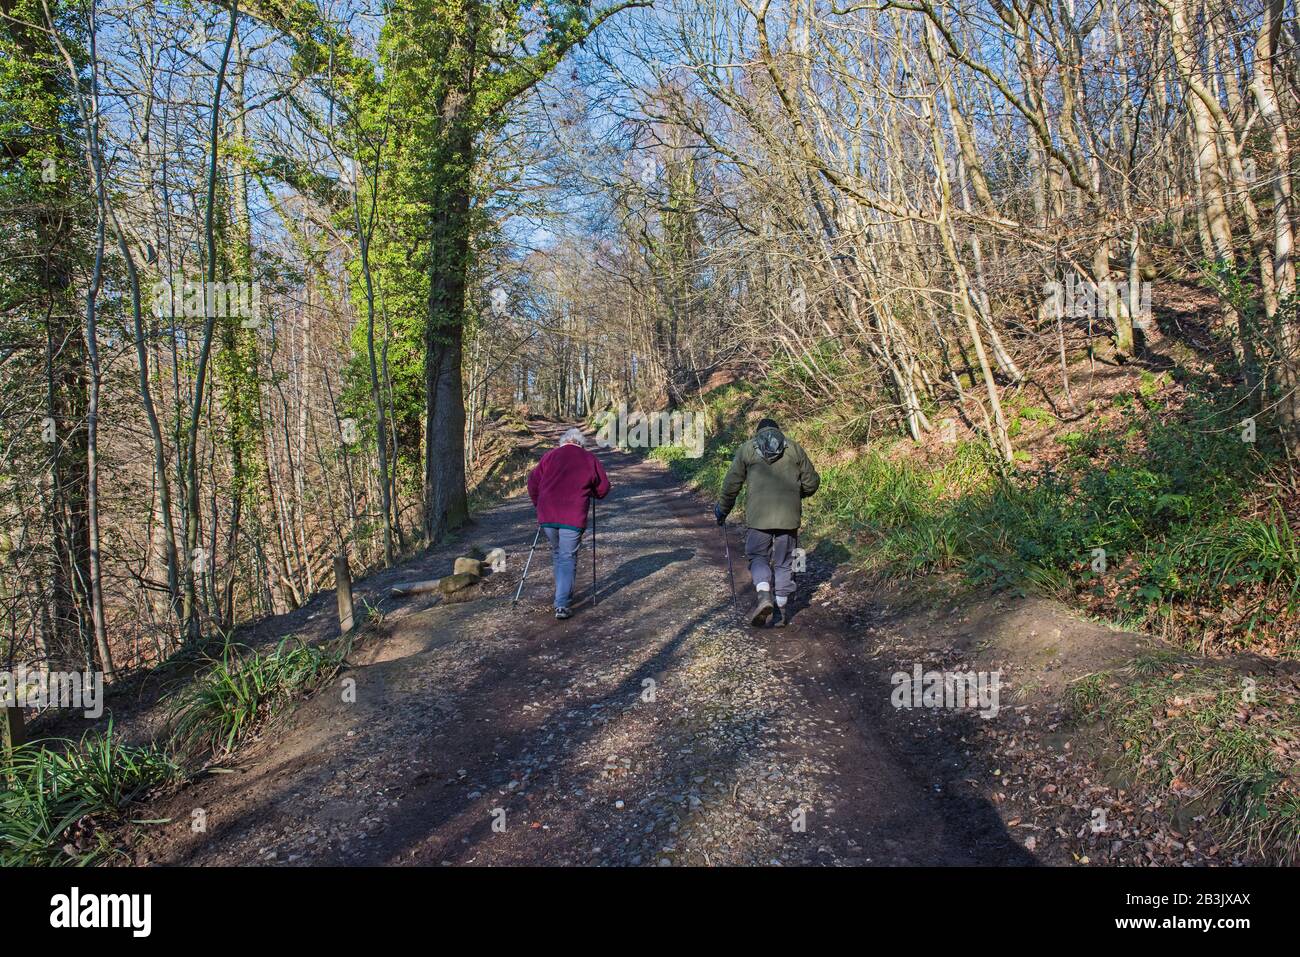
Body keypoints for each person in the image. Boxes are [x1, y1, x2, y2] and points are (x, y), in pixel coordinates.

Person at [714, 418, 820, 628]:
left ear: (758, 432)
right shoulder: (794, 449)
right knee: (785, 562)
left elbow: (731, 484)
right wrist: (797, 495)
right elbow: (812, 482)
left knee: (758, 557)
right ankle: (780, 611)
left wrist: (722, 509)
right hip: (788, 517)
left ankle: (764, 595)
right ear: (778, 430)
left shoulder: (747, 450)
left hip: (758, 518)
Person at [527, 427, 611, 619]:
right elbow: (603, 488)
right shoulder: (589, 459)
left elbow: (532, 483)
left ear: (563, 442)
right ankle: (562, 604)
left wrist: (538, 504)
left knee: (559, 554)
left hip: (547, 515)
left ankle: (561, 597)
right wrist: (592, 492)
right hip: (573, 516)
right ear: (580, 443)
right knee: (566, 556)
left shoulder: (549, 456)